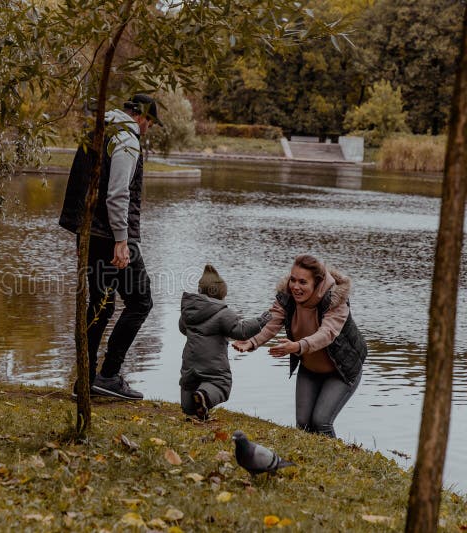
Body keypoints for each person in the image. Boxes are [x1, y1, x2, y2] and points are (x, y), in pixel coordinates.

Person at [58, 94, 163, 400]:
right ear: (140, 116)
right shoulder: (126, 139)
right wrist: (121, 239)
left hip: (91, 232)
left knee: (101, 306)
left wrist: (82, 234)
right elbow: (118, 194)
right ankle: (108, 376)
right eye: (149, 122)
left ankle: (86, 380)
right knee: (140, 301)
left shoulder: (98, 130)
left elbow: (82, 186)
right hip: (110, 236)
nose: (147, 129)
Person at [232, 254, 368, 438]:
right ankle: (310, 455)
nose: (295, 286)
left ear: (317, 283)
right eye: (293, 280)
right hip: (310, 368)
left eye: (303, 282)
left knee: (321, 422)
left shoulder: (336, 300)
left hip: (341, 370)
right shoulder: (287, 297)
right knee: (303, 424)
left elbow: (326, 334)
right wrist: (252, 341)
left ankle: (334, 456)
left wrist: (297, 346)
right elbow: (272, 322)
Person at [179, 265, 269, 420]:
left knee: (189, 383)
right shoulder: (223, 313)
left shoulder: (188, 311)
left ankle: (189, 406)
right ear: (220, 294)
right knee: (221, 383)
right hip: (212, 362)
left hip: (190, 361)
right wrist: (260, 322)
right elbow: (240, 331)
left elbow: (182, 329)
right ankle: (204, 396)